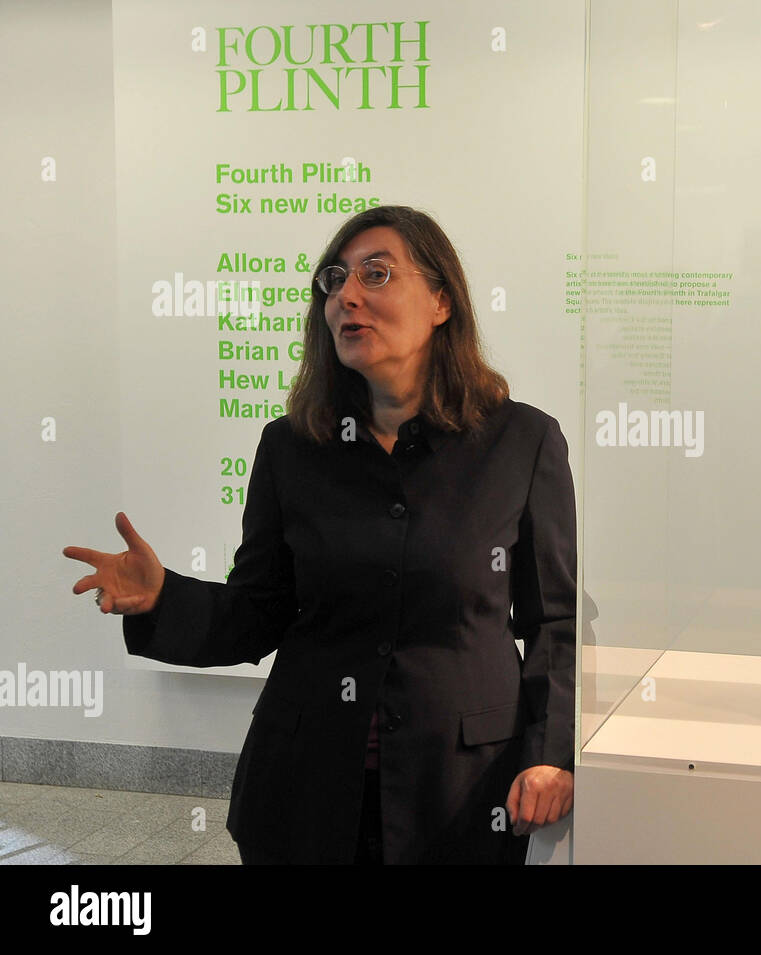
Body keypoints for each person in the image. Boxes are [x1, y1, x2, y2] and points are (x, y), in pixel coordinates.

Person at [63, 205, 577, 864]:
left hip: (460, 793)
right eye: (334, 280)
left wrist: (551, 755)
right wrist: (164, 597)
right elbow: (258, 612)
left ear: (442, 300)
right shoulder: (292, 447)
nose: (346, 296)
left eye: (377, 273)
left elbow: (552, 620)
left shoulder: (523, 441)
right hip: (305, 789)